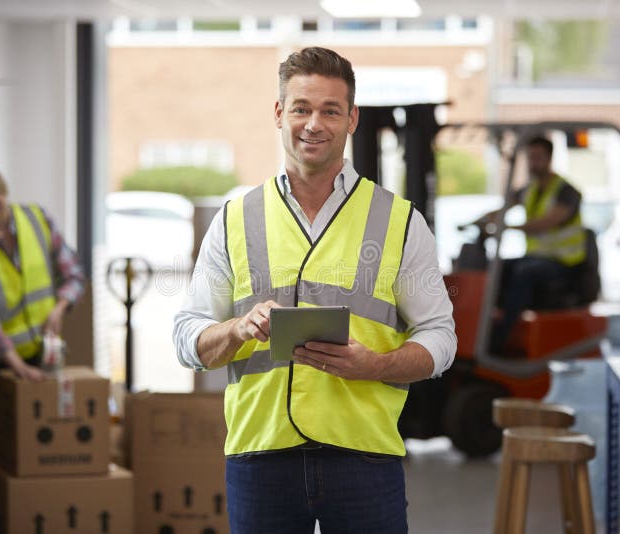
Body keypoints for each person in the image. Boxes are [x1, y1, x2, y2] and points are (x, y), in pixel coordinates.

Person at [173, 47, 457, 533]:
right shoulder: (234, 220)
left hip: (363, 457)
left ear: (352, 119)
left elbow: (441, 337)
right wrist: (239, 329)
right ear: (279, 113)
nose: (314, 123)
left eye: (330, 110)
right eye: (301, 108)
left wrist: (380, 365)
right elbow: (187, 340)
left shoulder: (400, 222)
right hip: (260, 456)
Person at [0, 164, 84, 534]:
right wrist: (11, 363)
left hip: (39, 357)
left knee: (39, 446)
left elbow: (73, 273)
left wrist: (59, 307)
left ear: (5, 195)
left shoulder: (37, 220)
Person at [480, 135, 586, 353]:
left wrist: (508, 228)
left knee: (523, 272)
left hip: (566, 263)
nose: (532, 162)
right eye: (530, 157)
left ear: (549, 158)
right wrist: (479, 221)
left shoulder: (567, 192)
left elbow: (547, 222)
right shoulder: (529, 189)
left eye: (537, 157)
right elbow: (503, 208)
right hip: (538, 258)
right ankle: (488, 330)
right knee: (498, 267)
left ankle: (502, 336)